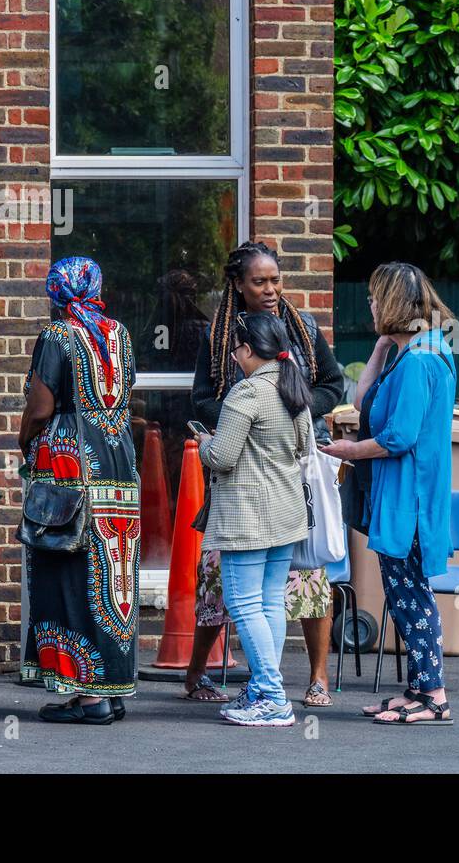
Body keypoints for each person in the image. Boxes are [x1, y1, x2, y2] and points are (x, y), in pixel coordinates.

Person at [186, 242, 344, 706]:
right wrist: (244, 419)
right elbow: (200, 398)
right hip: (241, 475)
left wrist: (282, 409)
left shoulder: (303, 327)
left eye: (276, 279)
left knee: (302, 580)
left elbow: (331, 385)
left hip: (292, 474)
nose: (272, 289)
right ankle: (211, 677)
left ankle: (308, 680)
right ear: (238, 284)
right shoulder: (219, 335)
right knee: (229, 585)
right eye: (260, 281)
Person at [322, 262, 457, 726]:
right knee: (402, 596)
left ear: (394, 304)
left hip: (410, 500)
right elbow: (362, 403)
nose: (371, 303)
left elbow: (398, 437)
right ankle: (417, 688)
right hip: (402, 498)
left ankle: (434, 696)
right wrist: (381, 345)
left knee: (412, 597)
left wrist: (348, 450)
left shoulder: (420, 362)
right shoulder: (411, 353)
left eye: (377, 298)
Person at [18, 257, 140, 725]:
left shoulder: (57, 335)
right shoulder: (119, 334)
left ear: (55, 292)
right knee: (112, 576)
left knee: (68, 572)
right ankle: (108, 689)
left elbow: (42, 406)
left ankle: (89, 699)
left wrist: (24, 437)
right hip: (117, 464)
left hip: (70, 465)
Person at [198, 311, 312, 727]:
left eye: (234, 349)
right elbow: (302, 446)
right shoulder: (292, 387)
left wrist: (206, 442)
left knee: (243, 604)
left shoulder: (246, 394)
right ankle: (265, 691)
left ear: (247, 350)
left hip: (248, 517)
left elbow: (223, 457)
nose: (232, 355)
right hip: (286, 513)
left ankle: (274, 697)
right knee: (269, 603)